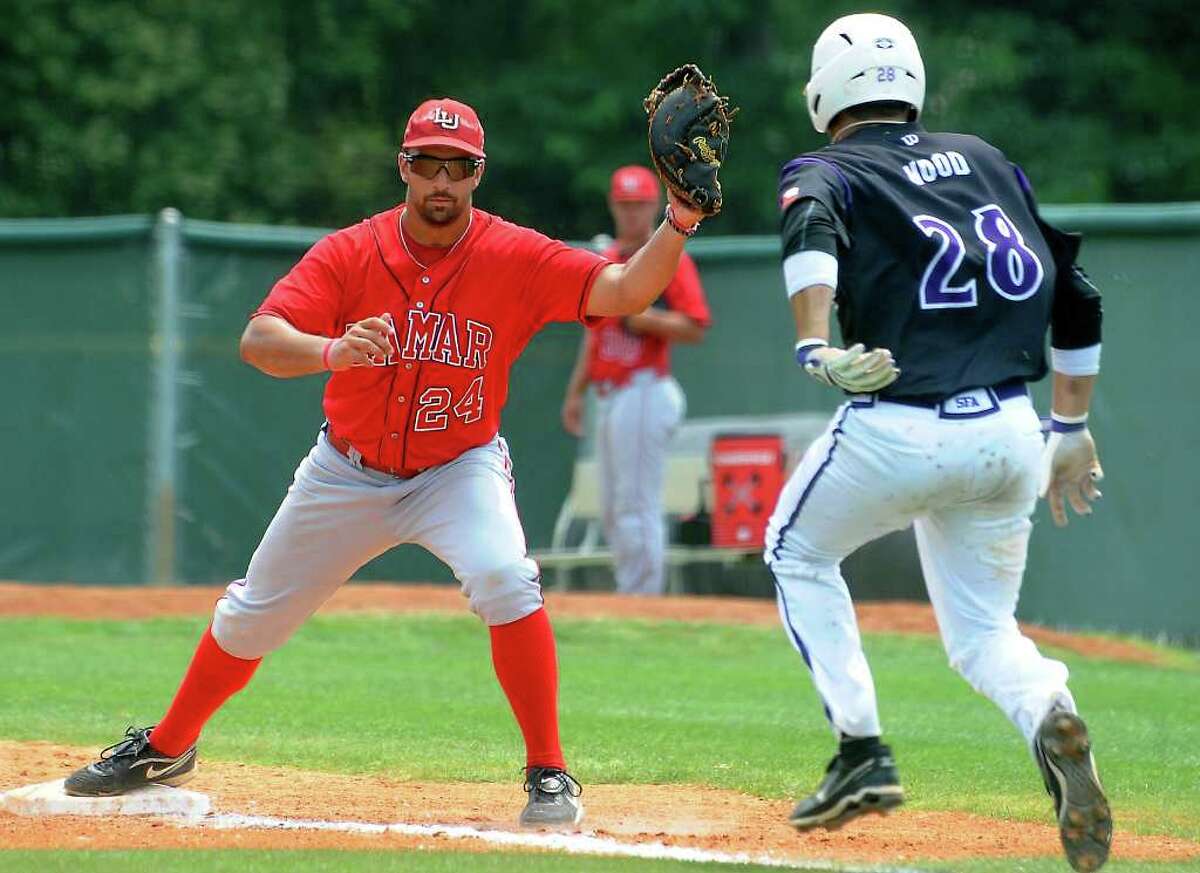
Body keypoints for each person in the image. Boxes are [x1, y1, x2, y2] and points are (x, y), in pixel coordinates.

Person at [64, 96, 709, 828]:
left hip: (457, 469)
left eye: (458, 167)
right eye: (427, 163)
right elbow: (261, 339)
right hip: (347, 469)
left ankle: (550, 770)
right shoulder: (351, 251)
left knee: (505, 577)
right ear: (404, 167)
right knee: (248, 619)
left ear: (478, 174)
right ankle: (168, 746)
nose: (442, 181)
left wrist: (678, 220)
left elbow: (624, 290)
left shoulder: (514, 254)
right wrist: (330, 351)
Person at [765, 14, 1110, 872]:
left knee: (794, 551)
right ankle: (1051, 711)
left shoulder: (830, 166)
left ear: (824, 92)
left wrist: (814, 343)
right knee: (984, 634)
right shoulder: (990, 161)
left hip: (900, 420)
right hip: (1009, 430)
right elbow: (1081, 299)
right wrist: (1071, 425)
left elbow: (809, 229)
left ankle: (861, 751)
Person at [560, 166, 711, 595]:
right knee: (611, 507)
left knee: (636, 503)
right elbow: (594, 336)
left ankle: (643, 599)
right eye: (624, 205)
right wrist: (576, 392)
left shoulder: (666, 254)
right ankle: (633, 591)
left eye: (638, 205)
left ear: (653, 206)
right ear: (613, 205)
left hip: (645, 388)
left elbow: (696, 325)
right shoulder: (605, 260)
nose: (630, 214)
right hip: (609, 394)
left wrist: (646, 318)